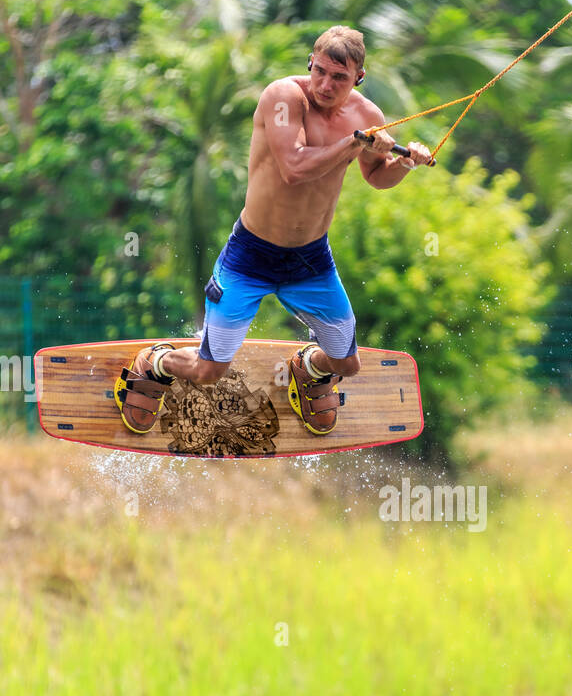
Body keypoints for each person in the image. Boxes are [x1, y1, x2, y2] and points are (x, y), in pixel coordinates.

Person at [114, 25, 432, 437]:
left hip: (310, 260)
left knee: (346, 364)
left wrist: (405, 163)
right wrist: (355, 144)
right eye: (319, 71)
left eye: (339, 77)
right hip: (251, 256)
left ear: (358, 78)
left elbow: (376, 176)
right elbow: (295, 169)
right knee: (209, 371)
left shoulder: (367, 117)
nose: (325, 84)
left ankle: (306, 369)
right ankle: (155, 363)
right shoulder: (283, 98)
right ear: (310, 64)